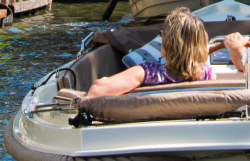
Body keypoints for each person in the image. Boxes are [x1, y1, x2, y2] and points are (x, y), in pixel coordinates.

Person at [86, 8, 215, 97]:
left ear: (170, 42)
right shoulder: (207, 75)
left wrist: (103, 80)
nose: (161, 37)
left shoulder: (147, 73)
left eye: (163, 34)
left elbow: (95, 91)